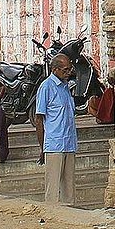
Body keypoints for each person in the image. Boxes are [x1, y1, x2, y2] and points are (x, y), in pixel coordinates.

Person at [34, 52, 77, 205]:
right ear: (55, 70)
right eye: (65, 70)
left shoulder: (66, 87)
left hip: (69, 143)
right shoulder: (46, 87)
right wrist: (42, 147)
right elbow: (39, 120)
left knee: (69, 188)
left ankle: (69, 212)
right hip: (54, 144)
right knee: (52, 189)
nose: (68, 72)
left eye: (69, 69)